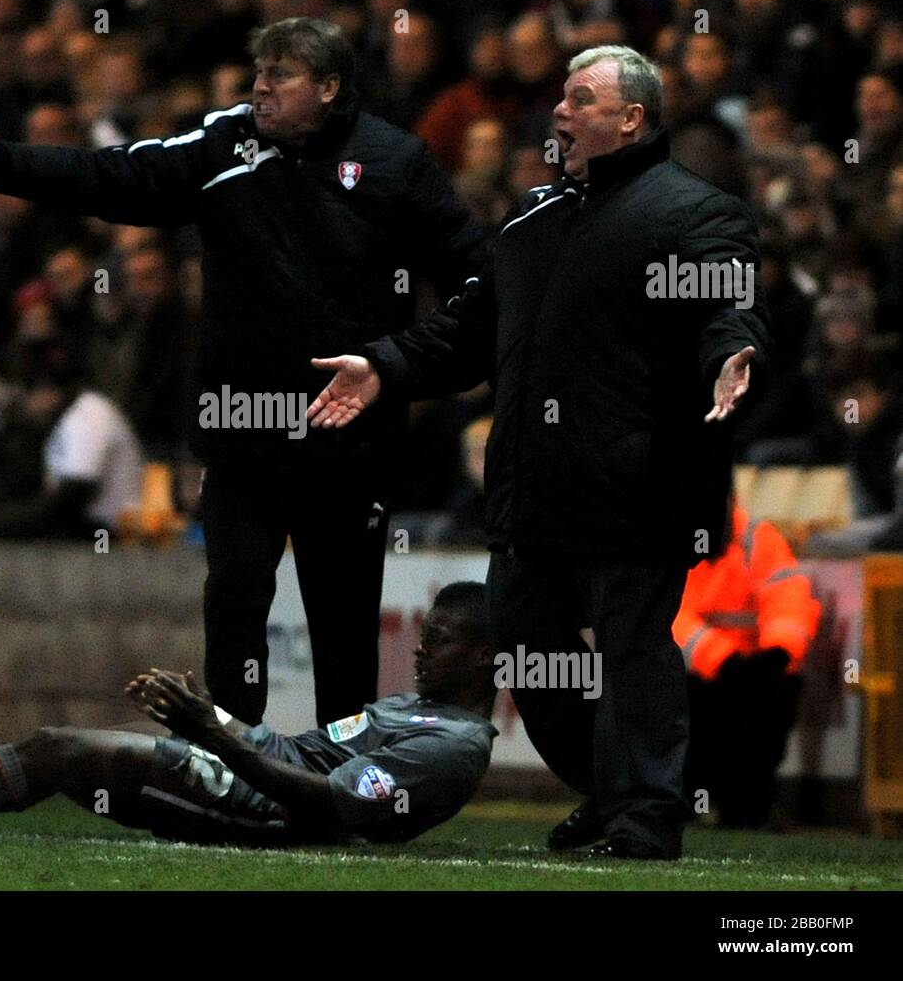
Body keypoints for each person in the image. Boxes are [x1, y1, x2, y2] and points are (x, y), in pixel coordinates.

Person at [0, 17, 484, 727]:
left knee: (342, 620)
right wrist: (2, 160)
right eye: (259, 73)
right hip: (242, 430)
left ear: (330, 87)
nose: (261, 88)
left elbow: (477, 282)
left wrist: (395, 368)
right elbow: (116, 175)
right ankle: (237, 767)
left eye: (282, 75)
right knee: (234, 608)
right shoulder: (224, 144)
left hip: (348, 434)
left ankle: (342, 776)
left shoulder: (397, 163)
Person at [305, 45, 774, 860]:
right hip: (537, 489)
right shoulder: (532, 219)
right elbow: (467, 332)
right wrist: (385, 365)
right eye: (560, 96)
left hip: (642, 482)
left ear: (631, 118)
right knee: (526, 648)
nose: (559, 111)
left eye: (581, 98)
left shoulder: (694, 212)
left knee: (632, 650)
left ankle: (645, 819)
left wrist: (731, 353)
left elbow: (722, 302)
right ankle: (610, 789)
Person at [0, 582, 498, 846]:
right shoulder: (416, 706)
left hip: (274, 813)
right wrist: (206, 716)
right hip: (258, 768)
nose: (423, 648)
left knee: (60, 750)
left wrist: (212, 734)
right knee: (67, 744)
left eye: (441, 641)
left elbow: (332, 805)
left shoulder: (455, 748)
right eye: (425, 635)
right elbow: (303, 751)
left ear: (487, 657)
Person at [674, 504, 820, 828]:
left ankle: (746, 804)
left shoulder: (757, 539)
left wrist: (777, 654)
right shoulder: (669, 538)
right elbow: (671, 618)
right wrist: (724, 660)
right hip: (701, 677)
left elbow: (788, 600)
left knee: (771, 696)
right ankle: (692, 798)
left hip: (752, 672)